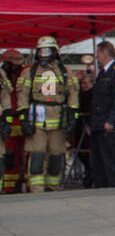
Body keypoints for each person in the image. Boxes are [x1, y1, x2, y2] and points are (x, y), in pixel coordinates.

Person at [16, 36, 79, 193]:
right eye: (41, 50)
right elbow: (22, 95)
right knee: (36, 156)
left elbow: (73, 94)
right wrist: (23, 119)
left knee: (56, 156)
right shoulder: (29, 72)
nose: (44, 54)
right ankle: (37, 189)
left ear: (55, 51)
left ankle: (53, 187)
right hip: (36, 121)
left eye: (47, 50)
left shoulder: (65, 72)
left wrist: (73, 115)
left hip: (59, 120)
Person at [88, 41, 115, 188]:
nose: (96, 57)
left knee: (111, 158)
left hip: (109, 123)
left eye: (98, 53)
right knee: (99, 159)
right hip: (98, 122)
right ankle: (102, 185)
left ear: (104, 53)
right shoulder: (103, 73)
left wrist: (111, 120)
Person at [1, 49, 25, 193]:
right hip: (10, 121)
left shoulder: (28, 73)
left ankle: (31, 186)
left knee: (29, 156)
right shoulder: (3, 76)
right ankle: (10, 188)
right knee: (9, 157)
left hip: (24, 120)